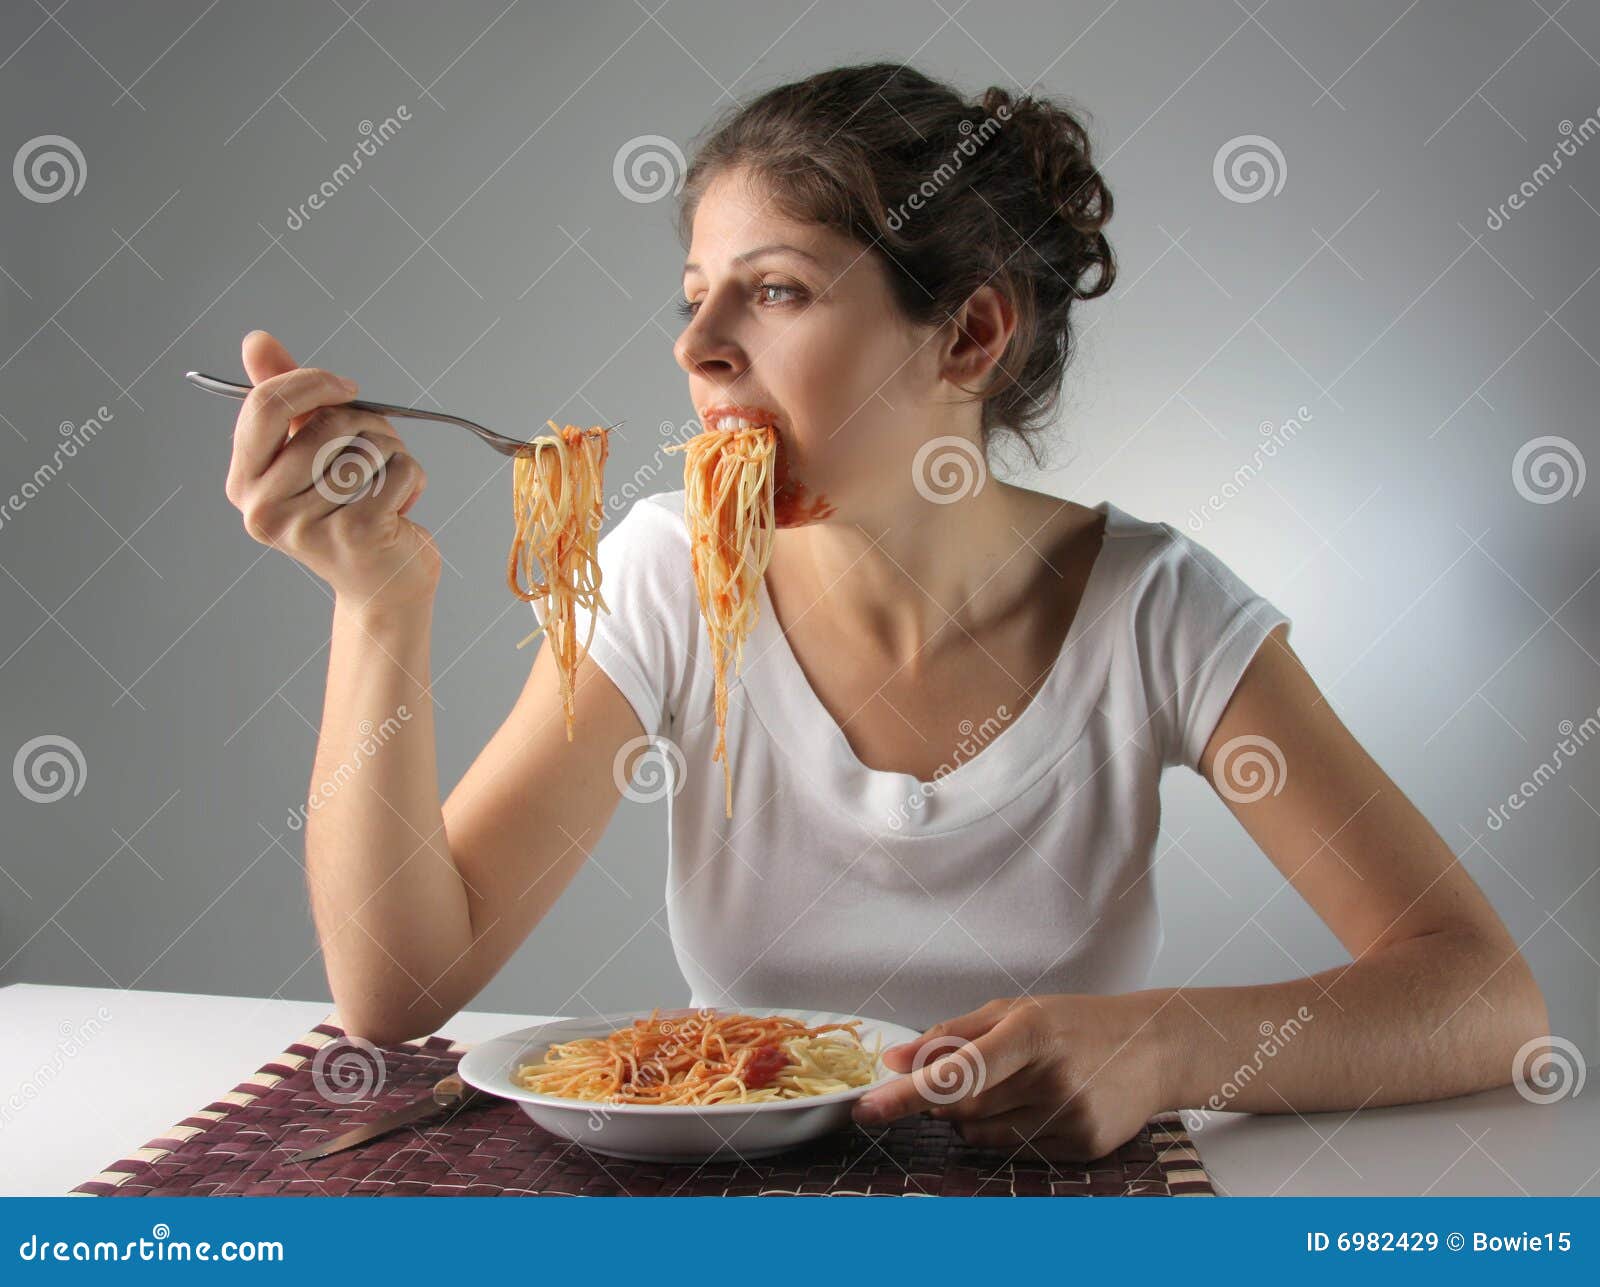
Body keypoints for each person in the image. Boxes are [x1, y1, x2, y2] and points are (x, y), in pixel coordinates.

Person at [222, 63, 1547, 1162]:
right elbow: (400, 990)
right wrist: (378, 603)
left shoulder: (1154, 610)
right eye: (694, 298)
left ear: (970, 337)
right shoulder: (675, 573)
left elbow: (1485, 998)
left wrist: (1165, 1044)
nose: (696, 348)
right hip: (731, 1205)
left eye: (776, 290)